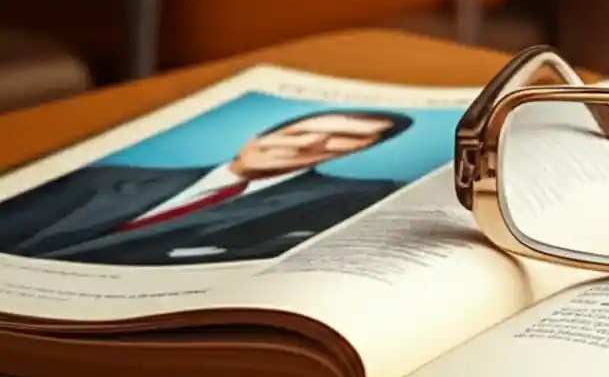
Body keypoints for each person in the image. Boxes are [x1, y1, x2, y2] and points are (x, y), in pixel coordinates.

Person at [0, 109, 412, 266]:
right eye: (299, 131)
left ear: (357, 152)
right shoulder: (101, 177)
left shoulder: (359, 196)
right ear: (259, 135)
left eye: (342, 140)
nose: (309, 143)